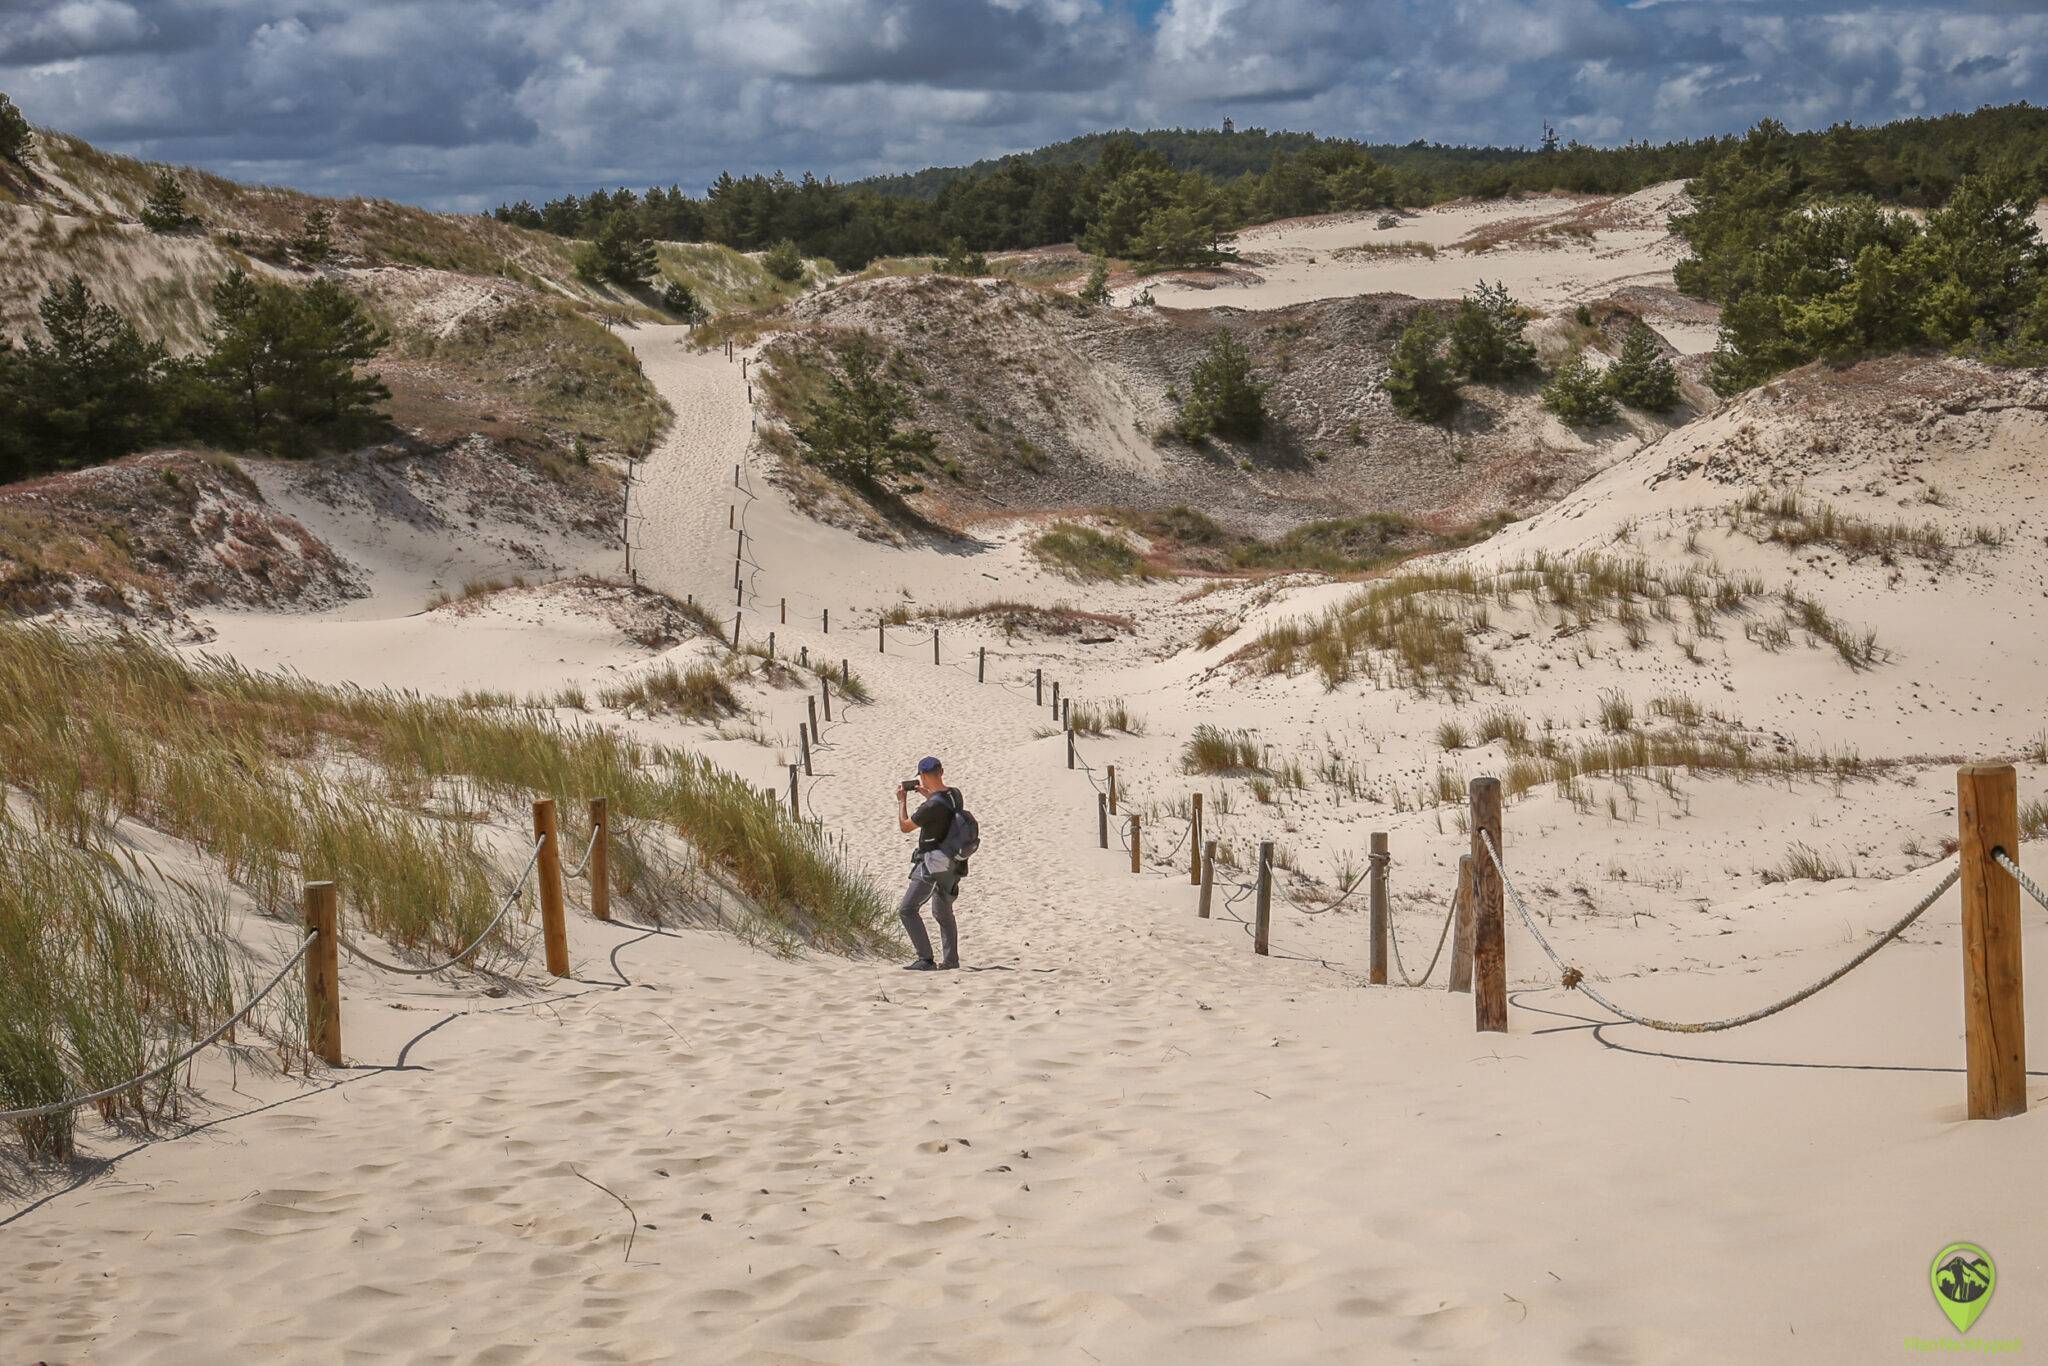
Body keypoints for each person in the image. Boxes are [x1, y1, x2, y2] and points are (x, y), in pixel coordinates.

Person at [895, 755, 961, 971]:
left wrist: (902, 800)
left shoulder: (930, 807)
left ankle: (925, 959)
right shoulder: (954, 795)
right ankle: (951, 961)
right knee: (942, 912)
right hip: (953, 862)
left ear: (923, 776)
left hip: (932, 864)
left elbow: (906, 826)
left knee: (907, 909)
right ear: (941, 772)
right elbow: (941, 808)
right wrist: (927, 795)